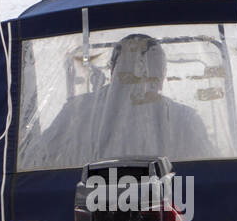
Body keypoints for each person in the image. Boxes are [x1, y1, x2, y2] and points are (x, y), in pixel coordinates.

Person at [36, 34, 215, 166]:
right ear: (162, 74)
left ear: (112, 71)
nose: (142, 75)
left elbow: (40, 160)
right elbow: (208, 170)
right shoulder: (183, 118)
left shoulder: (76, 111)